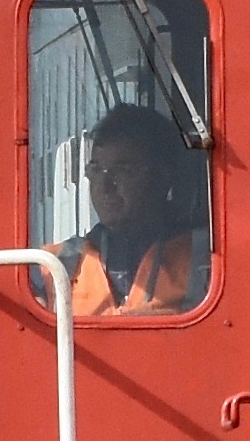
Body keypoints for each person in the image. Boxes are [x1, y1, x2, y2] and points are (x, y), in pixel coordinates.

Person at [65, 105, 207, 317]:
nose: (104, 186)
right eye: (95, 169)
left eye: (123, 170)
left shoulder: (207, 257)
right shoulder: (54, 264)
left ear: (162, 176)